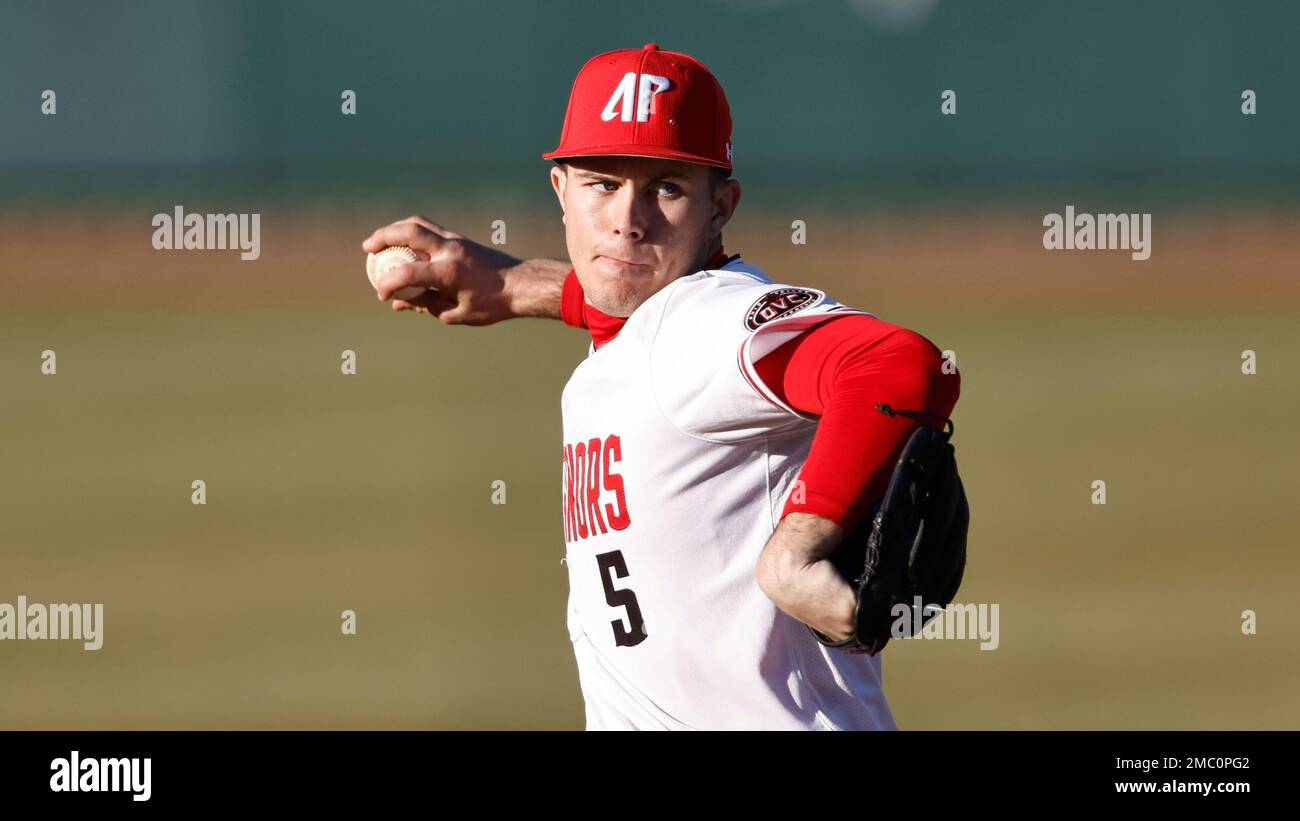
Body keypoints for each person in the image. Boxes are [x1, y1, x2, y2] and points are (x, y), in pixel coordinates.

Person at [362, 44, 960, 730]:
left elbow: (898, 364)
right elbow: (632, 315)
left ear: (721, 206)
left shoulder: (706, 319)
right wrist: (510, 284)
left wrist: (793, 553)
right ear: (561, 190)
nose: (627, 219)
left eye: (667, 188)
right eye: (602, 183)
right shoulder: (654, 331)